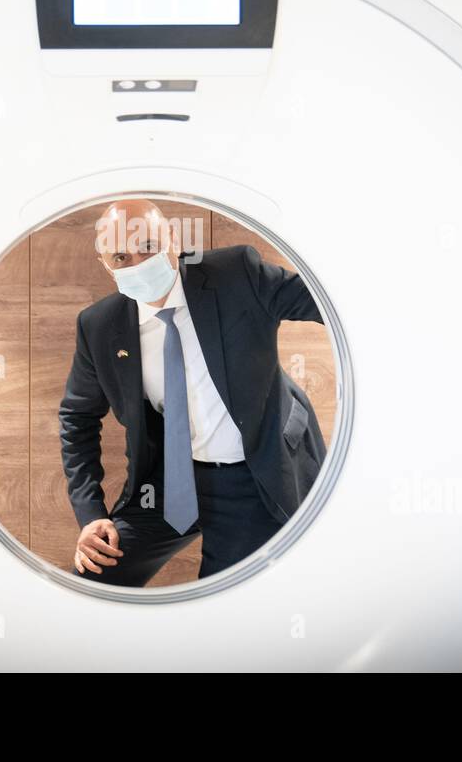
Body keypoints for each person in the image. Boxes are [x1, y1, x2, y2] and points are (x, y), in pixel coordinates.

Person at [58, 198, 327, 586]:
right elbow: (77, 418)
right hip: (166, 482)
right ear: (105, 265)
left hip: (250, 472)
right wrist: (91, 515)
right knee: (96, 579)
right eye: (120, 257)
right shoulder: (99, 325)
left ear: (172, 237)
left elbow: (326, 301)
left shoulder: (235, 274)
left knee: (223, 597)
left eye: (147, 246)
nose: (137, 263)